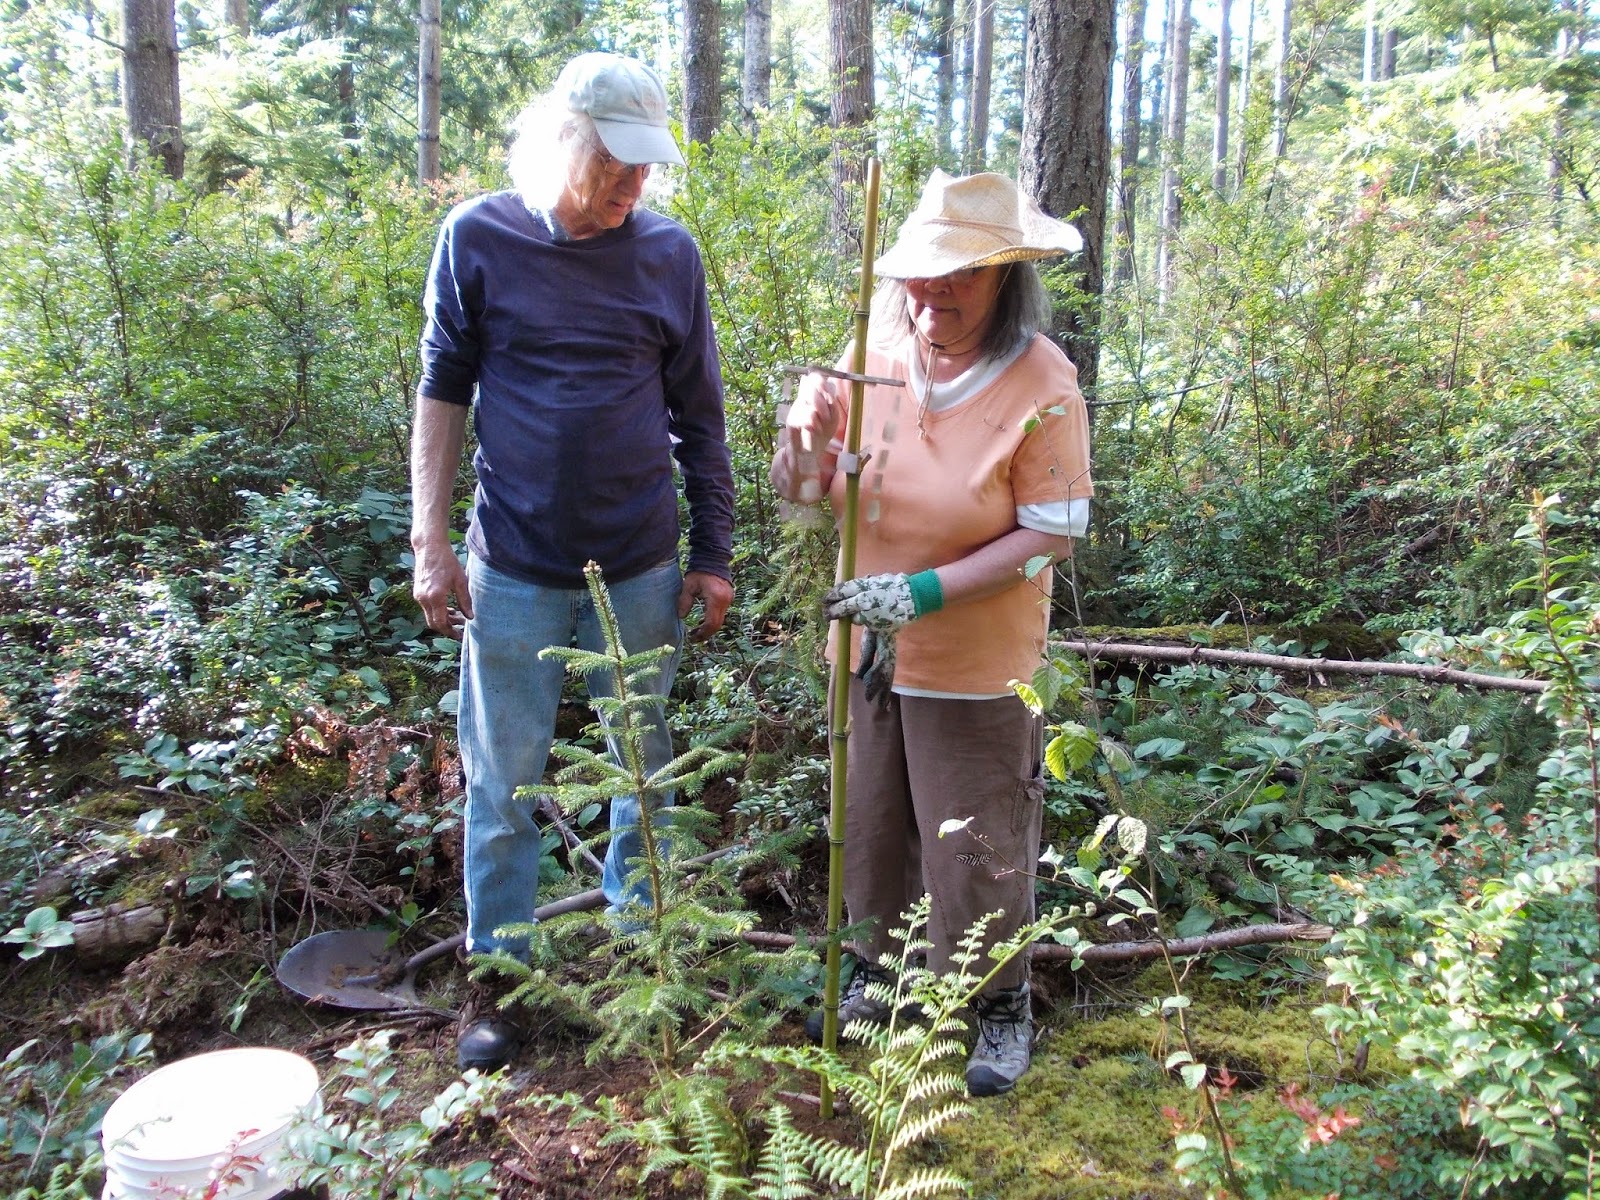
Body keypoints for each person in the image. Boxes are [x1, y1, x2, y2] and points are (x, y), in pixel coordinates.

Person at [411, 51, 735, 1072]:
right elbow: (441, 393)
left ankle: (648, 961)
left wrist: (715, 551)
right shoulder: (478, 238)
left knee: (642, 775)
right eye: (616, 167)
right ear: (566, 146)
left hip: (639, 565)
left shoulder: (668, 256)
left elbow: (701, 417)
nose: (634, 189)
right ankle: (499, 978)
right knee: (502, 779)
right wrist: (428, 543)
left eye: (646, 171)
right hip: (510, 565)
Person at [769, 169, 1094, 1097]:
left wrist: (921, 592)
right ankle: (878, 971)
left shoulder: (1043, 378)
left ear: (1005, 279)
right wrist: (797, 455)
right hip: (866, 648)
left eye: (960, 277)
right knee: (870, 819)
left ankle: (996, 1002)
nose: (934, 295)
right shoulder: (871, 345)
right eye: (921, 275)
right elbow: (810, 489)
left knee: (974, 835)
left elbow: (1052, 534)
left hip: (977, 655)